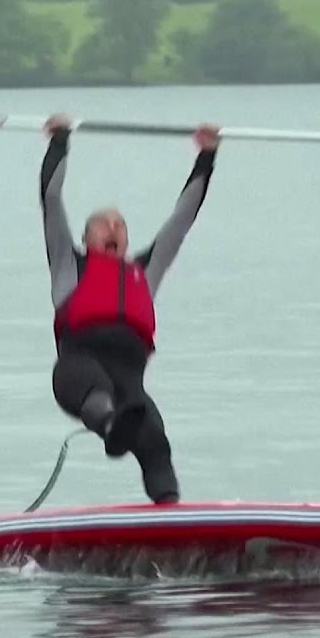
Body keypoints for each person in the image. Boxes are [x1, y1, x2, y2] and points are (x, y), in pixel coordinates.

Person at [38, 112, 220, 505]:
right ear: (85, 239)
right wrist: (60, 142)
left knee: (155, 439)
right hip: (78, 372)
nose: (114, 229)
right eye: (103, 225)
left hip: (129, 383)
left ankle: (172, 515)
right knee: (101, 392)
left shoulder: (144, 271)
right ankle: (110, 427)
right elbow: (51, 200)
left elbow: (181, 219)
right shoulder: (69, 266)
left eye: (120, 225)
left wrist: (206, 156)